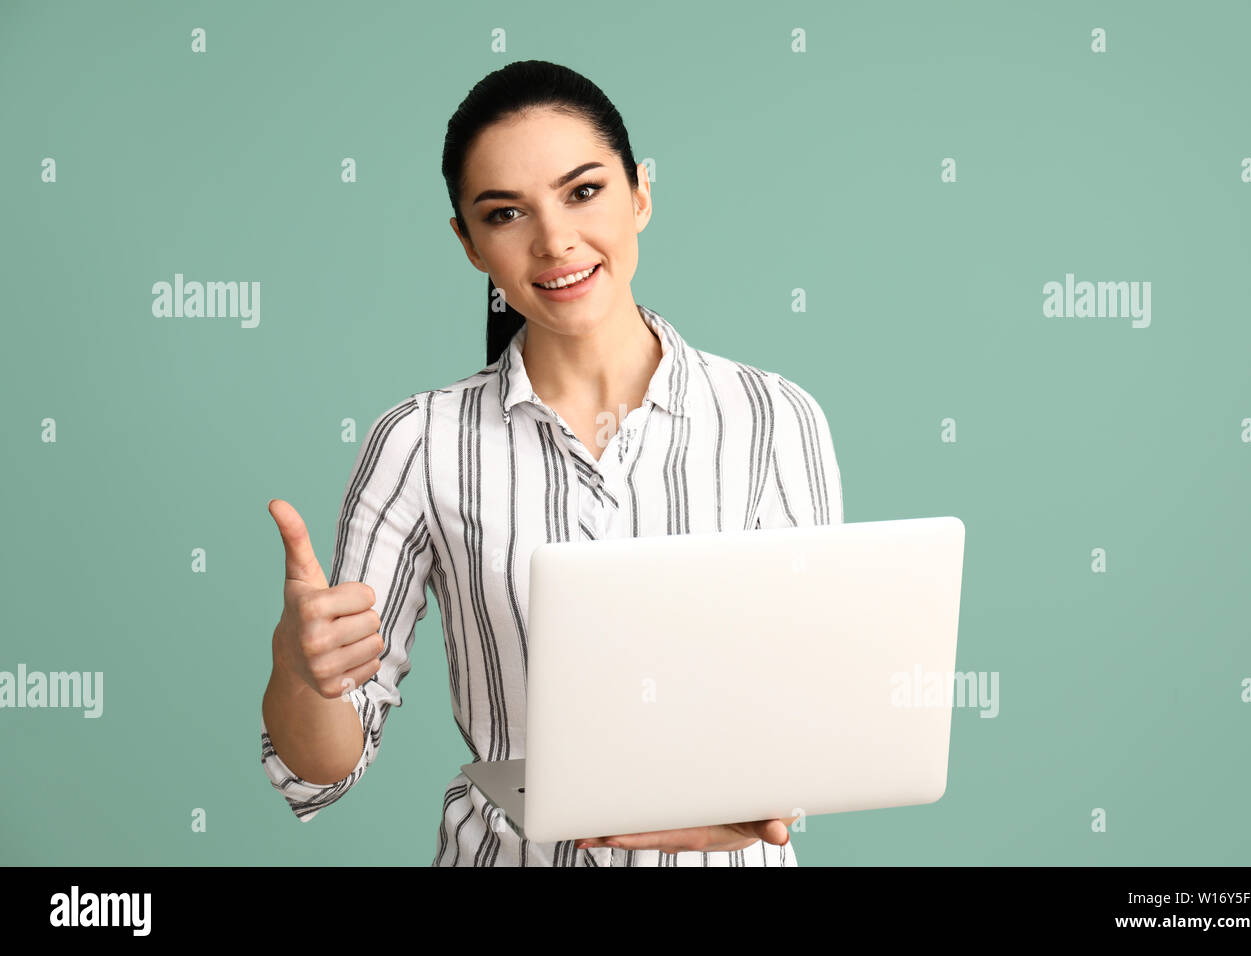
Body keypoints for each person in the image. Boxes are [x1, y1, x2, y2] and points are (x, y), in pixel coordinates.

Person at [259, 60, 843, 867]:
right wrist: (299, 669)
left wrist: (771, 803)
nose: (555, 240)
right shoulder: (420, 443)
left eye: (584, 191)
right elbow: (321, 769)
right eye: (506, 213)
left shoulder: (776, 418)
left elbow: (817, 701)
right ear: (468, 243)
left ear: (640, 192)